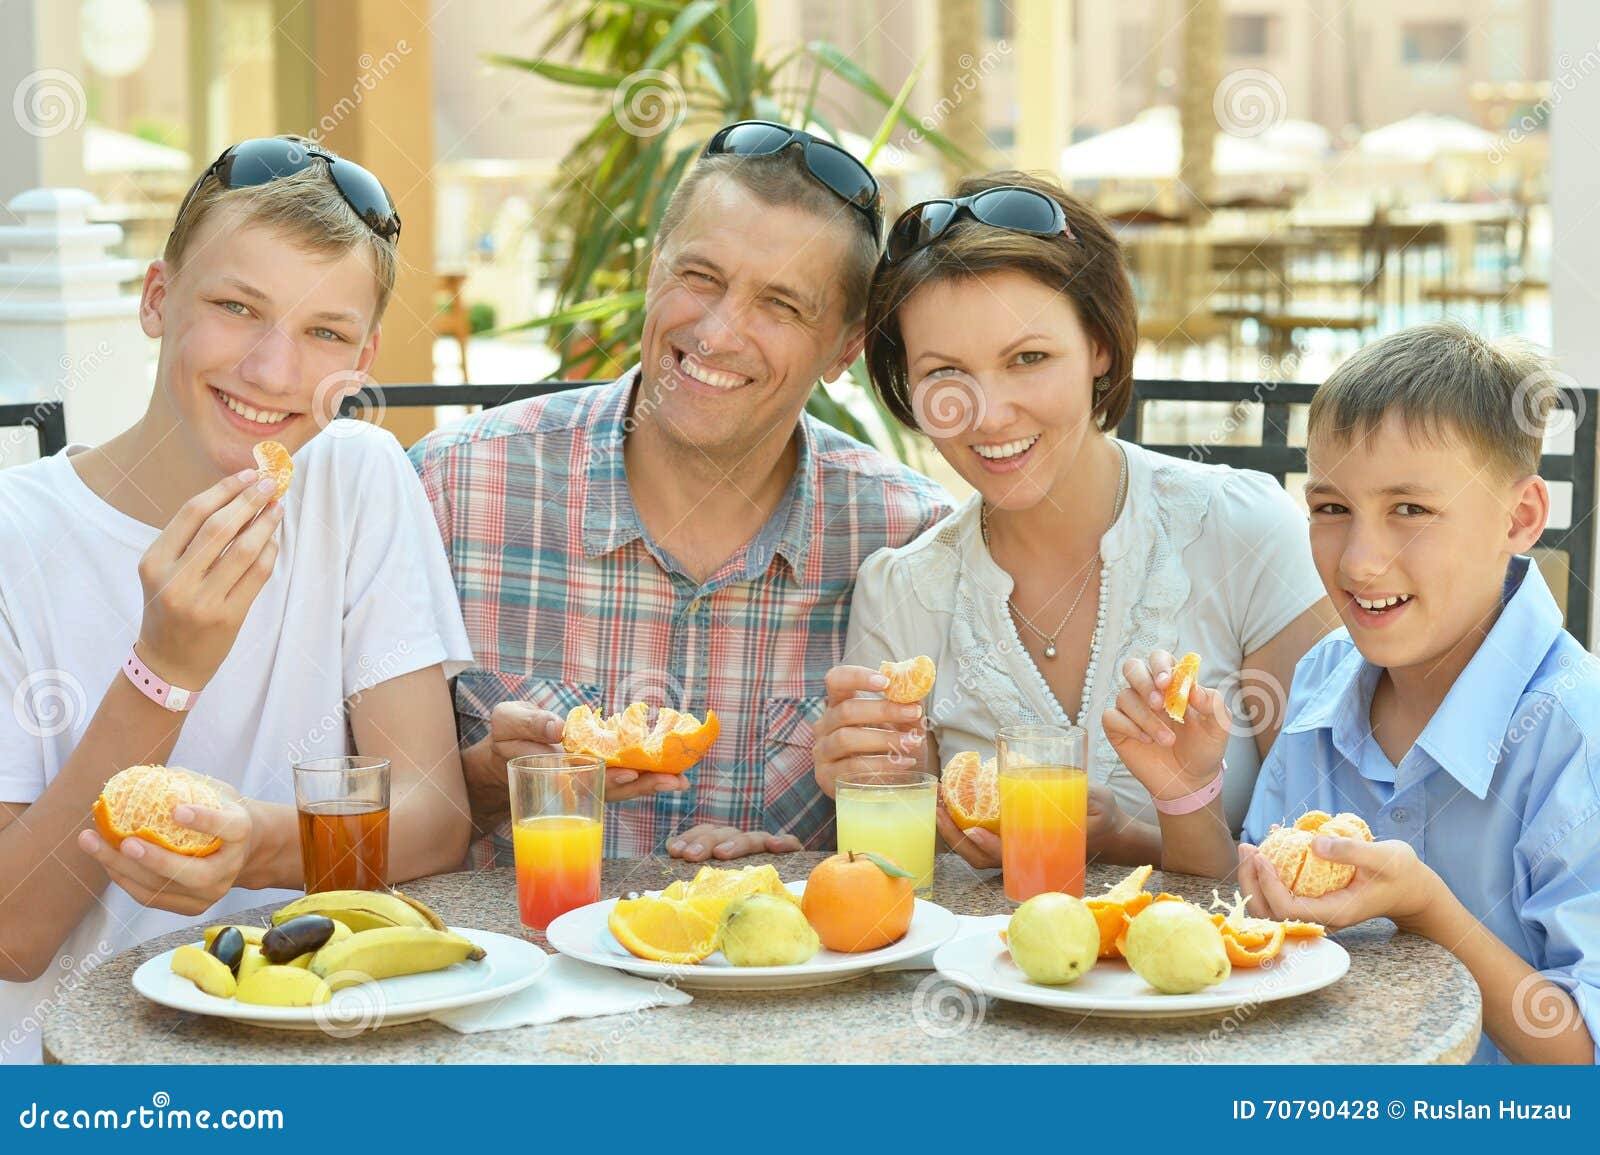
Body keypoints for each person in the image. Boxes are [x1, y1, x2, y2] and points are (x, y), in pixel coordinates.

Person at [0, 136, 473, 1063]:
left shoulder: (356, 478)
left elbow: (434, 821)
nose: (271, 371)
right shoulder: (17, 536)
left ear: (364, 356)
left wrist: (254, 846)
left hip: (318, 1042)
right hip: (74, 1072)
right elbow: (15, 935)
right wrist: (163, 670)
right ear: (156, 298)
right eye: (235, 307)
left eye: (324, 333)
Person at [409, 121, 950, 865]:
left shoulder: (914, 542)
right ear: (653, 267)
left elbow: (958, 861)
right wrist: (488, 784)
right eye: (701, 277)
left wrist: (802, 879)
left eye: (781, 305)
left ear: (846, 348)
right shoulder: (449, 491)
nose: (720, 332)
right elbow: (339, 810)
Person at [1107, 322, 1599, 1064]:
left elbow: (1580, 1058)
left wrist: (1425, 906)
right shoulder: (1324, 675)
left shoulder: (1574, 729)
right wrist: (1185, 791)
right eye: (1332, 508)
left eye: (1410, 510)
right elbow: (1254, 906)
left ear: (1520, 517)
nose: (1362, 562)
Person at [818, 172, 1332, 868]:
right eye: (945, 372)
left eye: (1028, 358)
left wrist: (1126, 840)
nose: (990, 413)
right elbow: (891, 890)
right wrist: (864, 790)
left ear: (1100, 347)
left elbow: (1327, 861)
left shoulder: (1246, 532)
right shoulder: (901, 594)